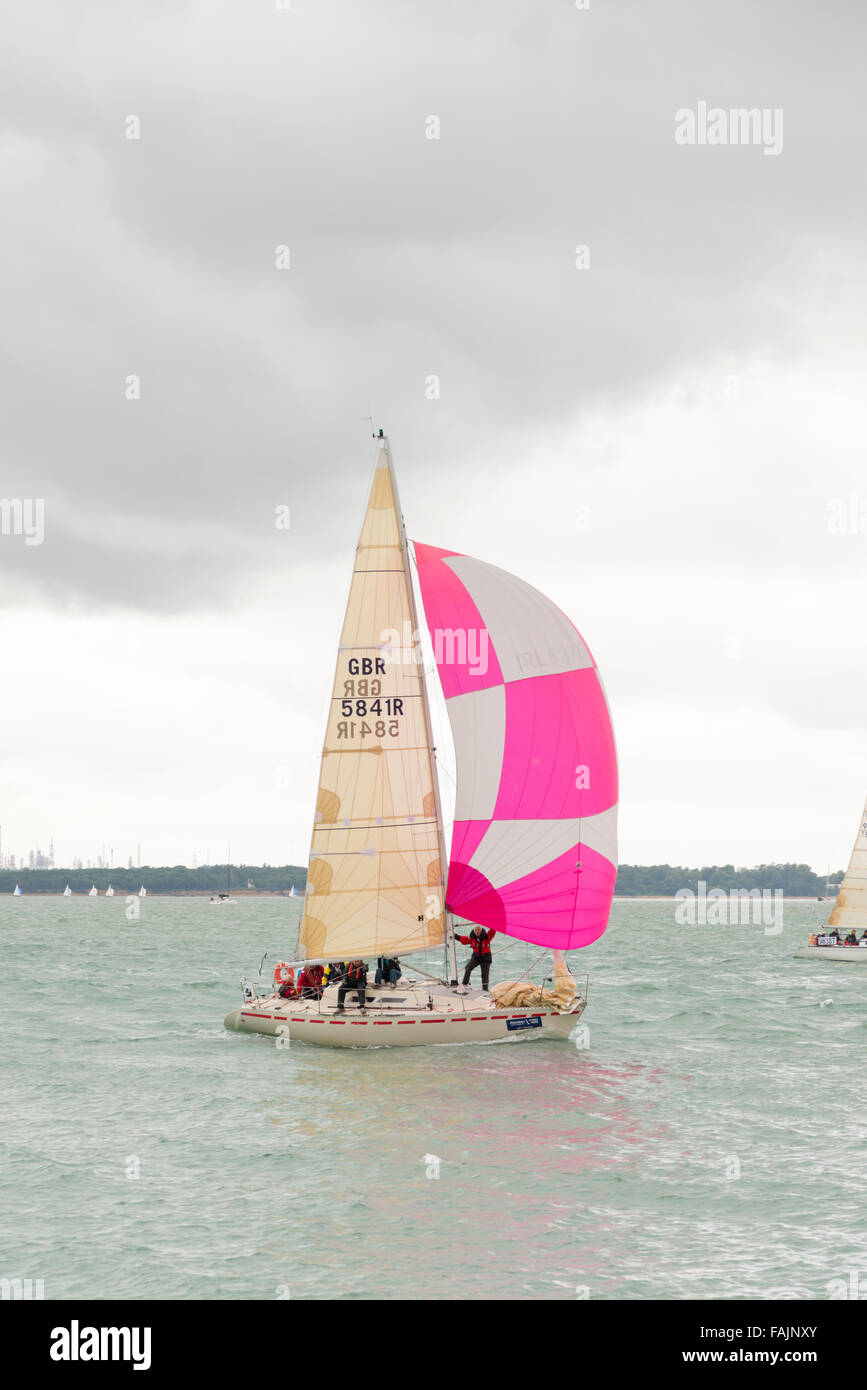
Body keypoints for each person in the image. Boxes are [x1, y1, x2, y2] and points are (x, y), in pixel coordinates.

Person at [456, 926, 497, 990]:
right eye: (476, 930)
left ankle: (485, 990)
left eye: (478, 930)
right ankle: (464, 984)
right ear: (473, 931)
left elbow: (493, 931)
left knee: (484, 975)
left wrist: (494, 923)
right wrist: (455, 936)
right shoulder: (472, 937)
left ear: (481, 930)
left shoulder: (487, 936)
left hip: (486, 958)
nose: (477, 931)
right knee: (468, 968)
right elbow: (464, 940)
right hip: (476, 957)